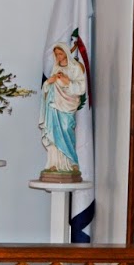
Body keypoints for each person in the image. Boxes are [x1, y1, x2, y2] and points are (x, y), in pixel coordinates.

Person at [39, 38, 86, 178]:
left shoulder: (75, 68)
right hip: (54, 106)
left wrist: (67, 82)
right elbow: (48, 87)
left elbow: (81, 88)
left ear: (66, 53)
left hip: (68, 105)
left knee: (66, 129)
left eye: (60, 53)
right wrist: (49, 81)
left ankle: (71, 163)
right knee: (53, 132)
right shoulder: (56, 68)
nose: (58, 57)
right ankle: (54, 163)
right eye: (56, 54)